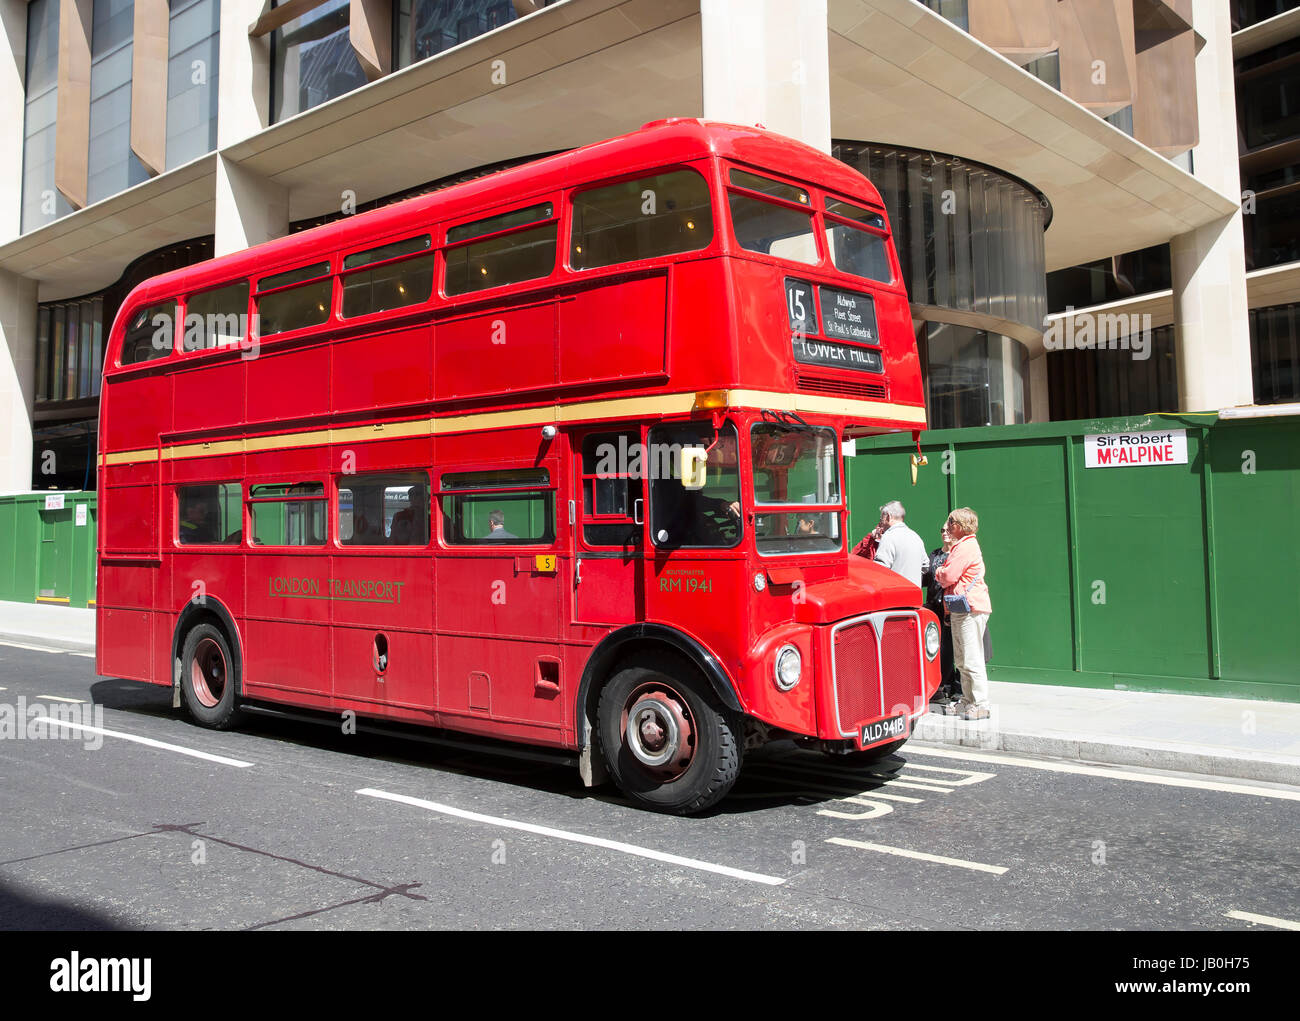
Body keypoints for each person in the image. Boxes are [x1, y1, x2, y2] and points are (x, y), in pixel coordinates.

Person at [934, 507, 993, 721]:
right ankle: (968, 702)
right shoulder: (961, 546)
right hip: (961, 608)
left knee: (972, 658)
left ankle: (980, 704)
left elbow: (948, 574)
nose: (947, 527)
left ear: (958, 526)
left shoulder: (966, 547)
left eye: (950, 522)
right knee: (962, 659)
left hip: (971, 608)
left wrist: (939, 571)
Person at [870, 500, 928, 588]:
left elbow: (880, 569)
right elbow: (925, 565)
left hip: (895, 596)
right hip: (914, 596)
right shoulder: (916, 537)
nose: (881, 524)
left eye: (881, 519)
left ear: (888, 517)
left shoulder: (888, 537)